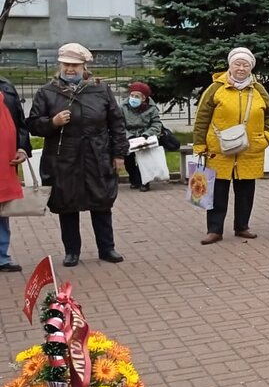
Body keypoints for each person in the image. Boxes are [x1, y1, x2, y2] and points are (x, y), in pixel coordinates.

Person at [28, 43, 128, 266]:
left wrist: (119, 153)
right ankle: (72, 251)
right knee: (67, 204)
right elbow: (33, 124)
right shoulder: (48, 92)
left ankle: (107, 248)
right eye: (66, 64)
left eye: (74, 65)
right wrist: (52, 122)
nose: (70, 69)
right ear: (60, 65)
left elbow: (117, 123)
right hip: (64, 158)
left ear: (84, 66)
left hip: (97, 155)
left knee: (101, 202)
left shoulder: (100, 90)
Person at [193, 47, 269, 245]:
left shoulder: (258, 89)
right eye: (237, 64)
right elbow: (202, 118)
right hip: (218, 150)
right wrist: (199, 144)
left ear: (251, 67)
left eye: (245, 64)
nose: (241, 68)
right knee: (217, 191)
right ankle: (214, 230)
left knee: (246, 191)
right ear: (229, 66)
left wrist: (266, 137)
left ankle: (242, 226)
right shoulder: (215, 88)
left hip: (250, 149)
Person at [0, 73, 32, 273]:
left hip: (4, 162)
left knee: (1, 211)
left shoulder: (6, 86)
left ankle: (2, 257)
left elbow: (21, 124)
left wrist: (22, 148)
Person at [121, 81, 164, 192]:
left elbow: (156, 123)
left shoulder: (151, 108)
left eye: (137, 96)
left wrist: (146, 134)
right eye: (132, 95)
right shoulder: (123, 107)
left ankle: (145, 181)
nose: (133, 98)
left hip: (145, 136)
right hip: (129, 137)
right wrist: (129, 136)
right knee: (128, 161)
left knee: (145, 161)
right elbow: (119, 124)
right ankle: (134, 179)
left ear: (144, 98)